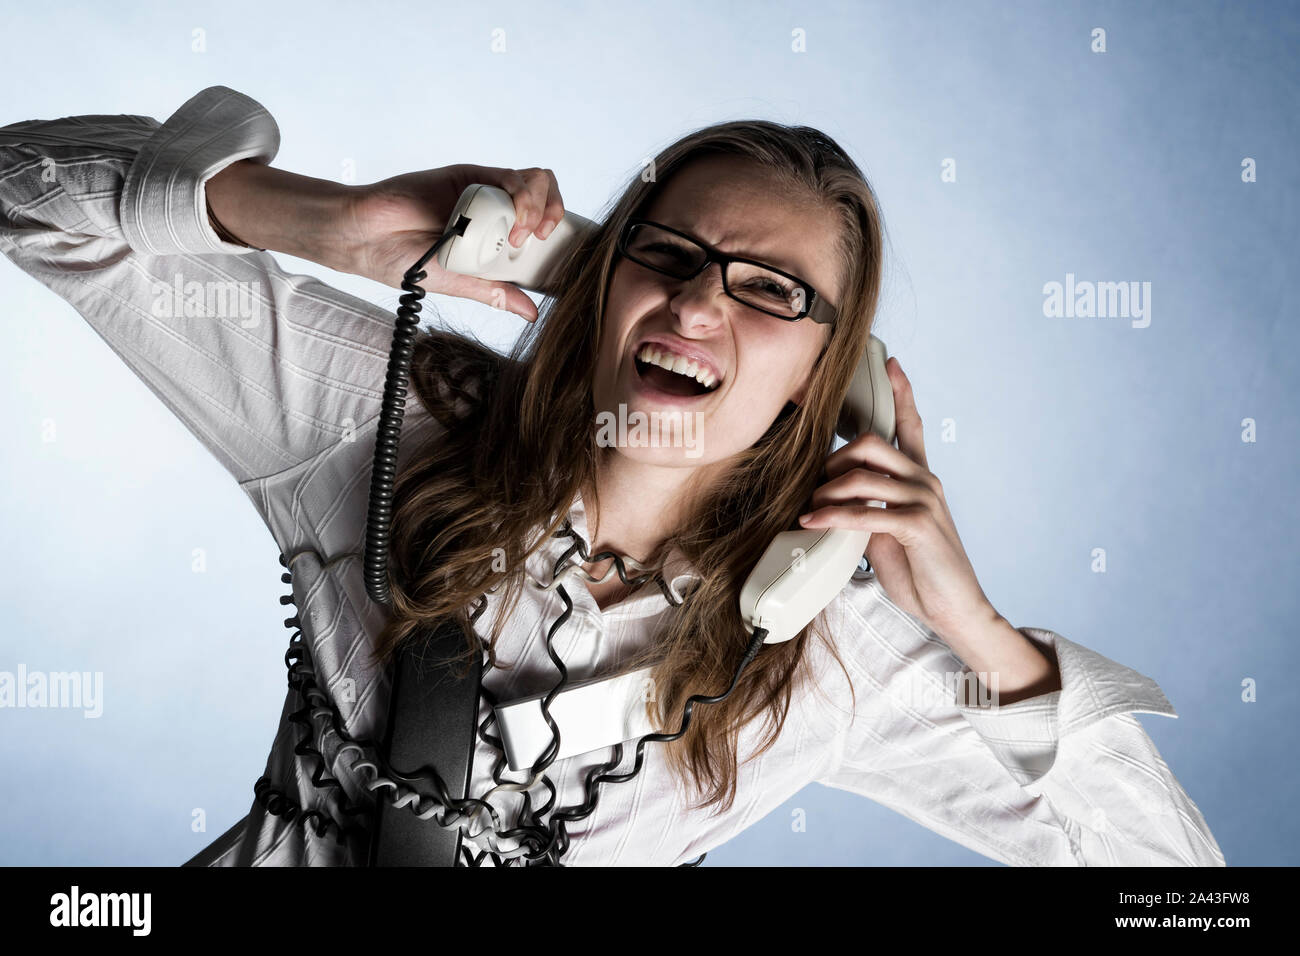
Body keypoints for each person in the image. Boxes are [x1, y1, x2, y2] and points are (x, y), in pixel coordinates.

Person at [0, 86, 1225, 866]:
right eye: (668, 254)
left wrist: (982, 635)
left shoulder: (834, 654)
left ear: (826, 375)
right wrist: (303, 211)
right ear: (595, 276)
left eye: (770, 290)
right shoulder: (380, 415)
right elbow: (25, 191)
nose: (697, 301)